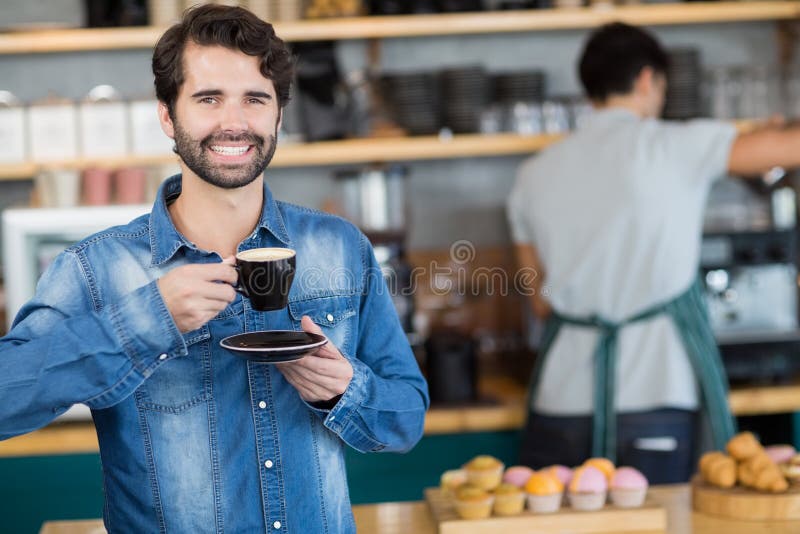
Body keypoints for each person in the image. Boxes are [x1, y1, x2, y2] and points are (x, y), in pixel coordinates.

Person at [0, 5, 428, 532]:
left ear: (278, 116)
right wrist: (146, 319)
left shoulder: (340, 247)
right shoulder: (95, 269)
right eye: (208, 99)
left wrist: (346, 389)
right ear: (167, 115)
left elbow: (406, 419)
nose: (234, 121)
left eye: (254, 98)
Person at [507, 22, 800, 483]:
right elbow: (788, 148)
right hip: (657, 391)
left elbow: (541, 303)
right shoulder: (676, 145)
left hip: (560, 400)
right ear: (648, 80)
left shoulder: (532, 175)